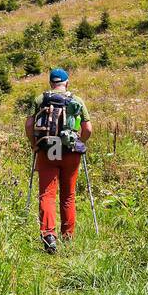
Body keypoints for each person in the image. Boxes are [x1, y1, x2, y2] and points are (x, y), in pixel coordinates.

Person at [25, 68, 92, 253]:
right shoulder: (77, 101)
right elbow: (88, 129)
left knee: (47, 193)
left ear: (50, 83)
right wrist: (80, 142)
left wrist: (34, 144)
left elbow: (29, 125)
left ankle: (48, 236)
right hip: (70, 152)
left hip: (48, 149)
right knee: (68, 195)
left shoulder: (40, 99)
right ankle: (68, 237)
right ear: (67, 83)